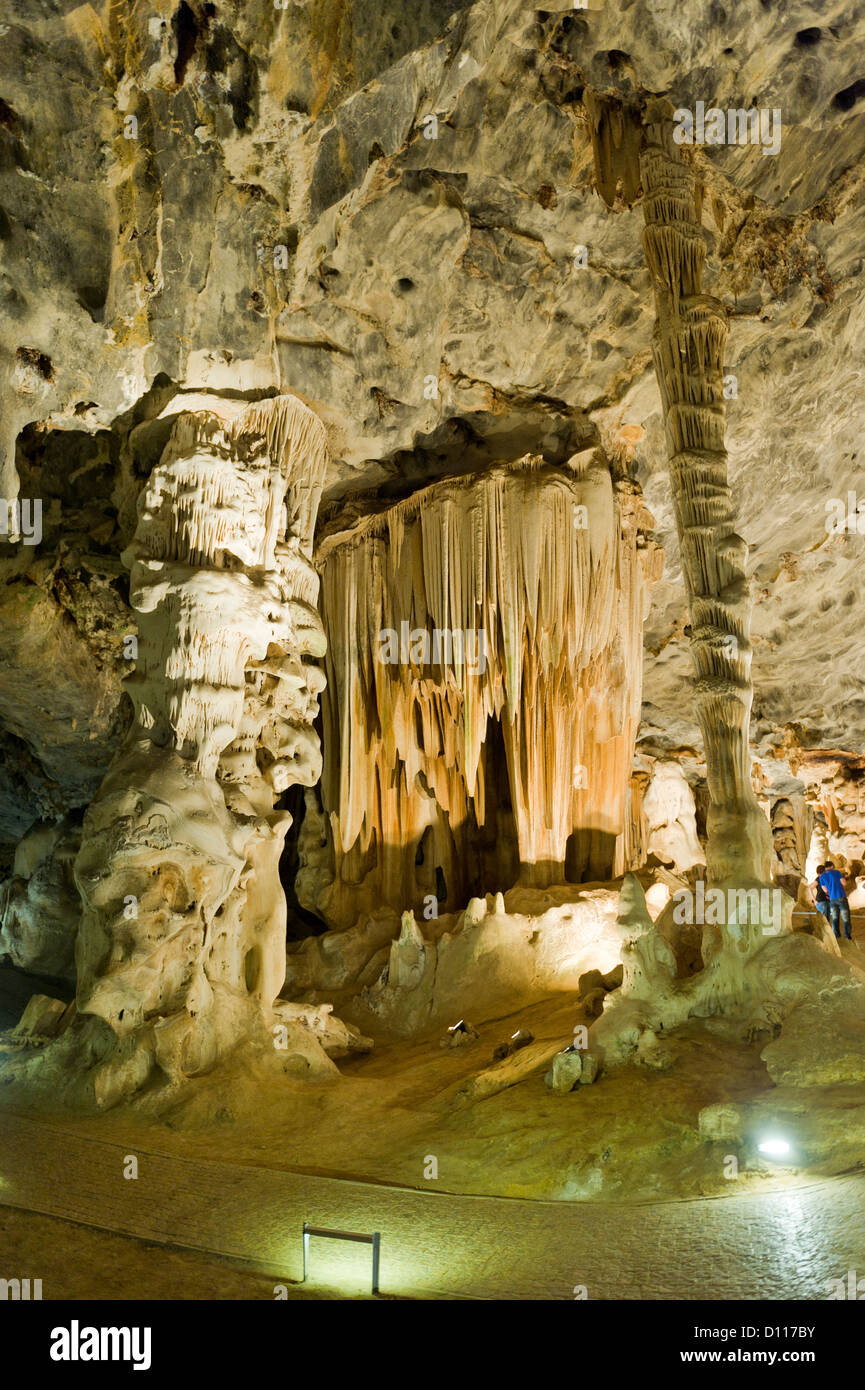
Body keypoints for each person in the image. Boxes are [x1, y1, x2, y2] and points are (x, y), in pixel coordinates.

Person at [817, 861, 853, 941]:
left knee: (835, 918)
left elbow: (825, 889)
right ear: (832, 866)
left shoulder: (822, 876)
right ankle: (847, 936)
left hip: (832, 899)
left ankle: (837, 936)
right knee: (846, 917)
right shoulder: (837, 872)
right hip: (841, 897)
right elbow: (844, 883)